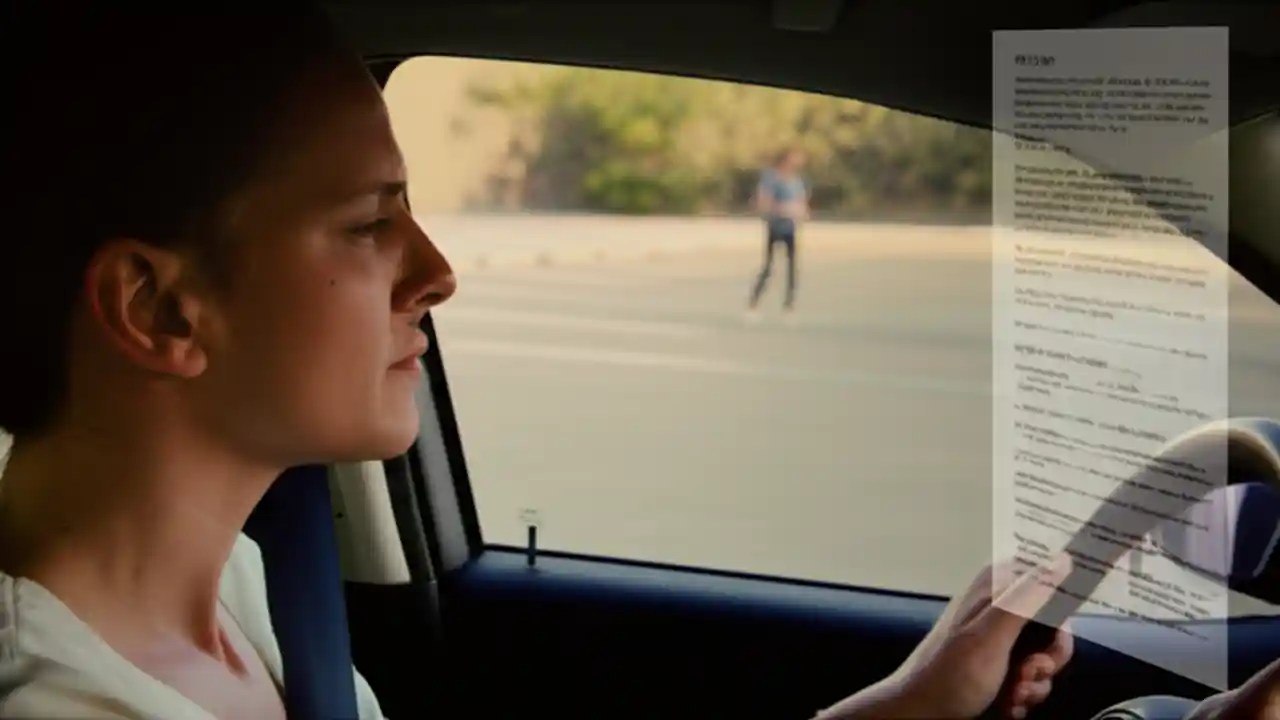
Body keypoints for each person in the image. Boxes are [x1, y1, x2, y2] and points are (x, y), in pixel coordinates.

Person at [0, 7, 1268, 720]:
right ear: (157, 308)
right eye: (369, 223)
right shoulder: (62, 698)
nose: (436, 271)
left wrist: (910, 702)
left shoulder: (232, 586)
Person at [746, 147, 810, 320]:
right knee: (769, 266)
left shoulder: (796, 180)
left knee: (792, 267)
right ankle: (754, 302)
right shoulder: (771, 178)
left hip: (790, 227)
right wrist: (782, 209)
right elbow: (763, 202)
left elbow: (802, 202)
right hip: (775, 226)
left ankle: (789, 304)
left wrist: (801, 212)